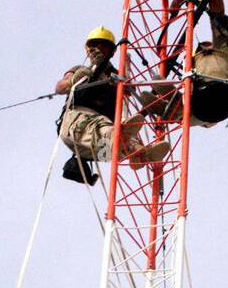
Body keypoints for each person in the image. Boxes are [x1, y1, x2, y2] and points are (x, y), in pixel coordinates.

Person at [141, 0, 228, 128]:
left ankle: (177, 111)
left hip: (221, 96)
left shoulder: (225, 42)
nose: (202, 52)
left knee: (199, 106)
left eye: (204, 49)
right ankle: (176, 110)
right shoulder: (207, 75)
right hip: (213, 102)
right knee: (192, 109)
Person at [56, 26, 169, 182]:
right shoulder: (81, 70)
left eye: (104, 46)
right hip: (78, 126)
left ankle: (139, 153)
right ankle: (127, 143)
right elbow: (60, 88)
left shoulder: (116, 75)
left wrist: (125, 82)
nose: (98, 49)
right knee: (108, 129)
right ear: (88, 49)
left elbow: (128, 95)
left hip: (102, 149)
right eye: (95, 45)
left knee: (121, 129)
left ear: (112, 51)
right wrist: (75, 79)